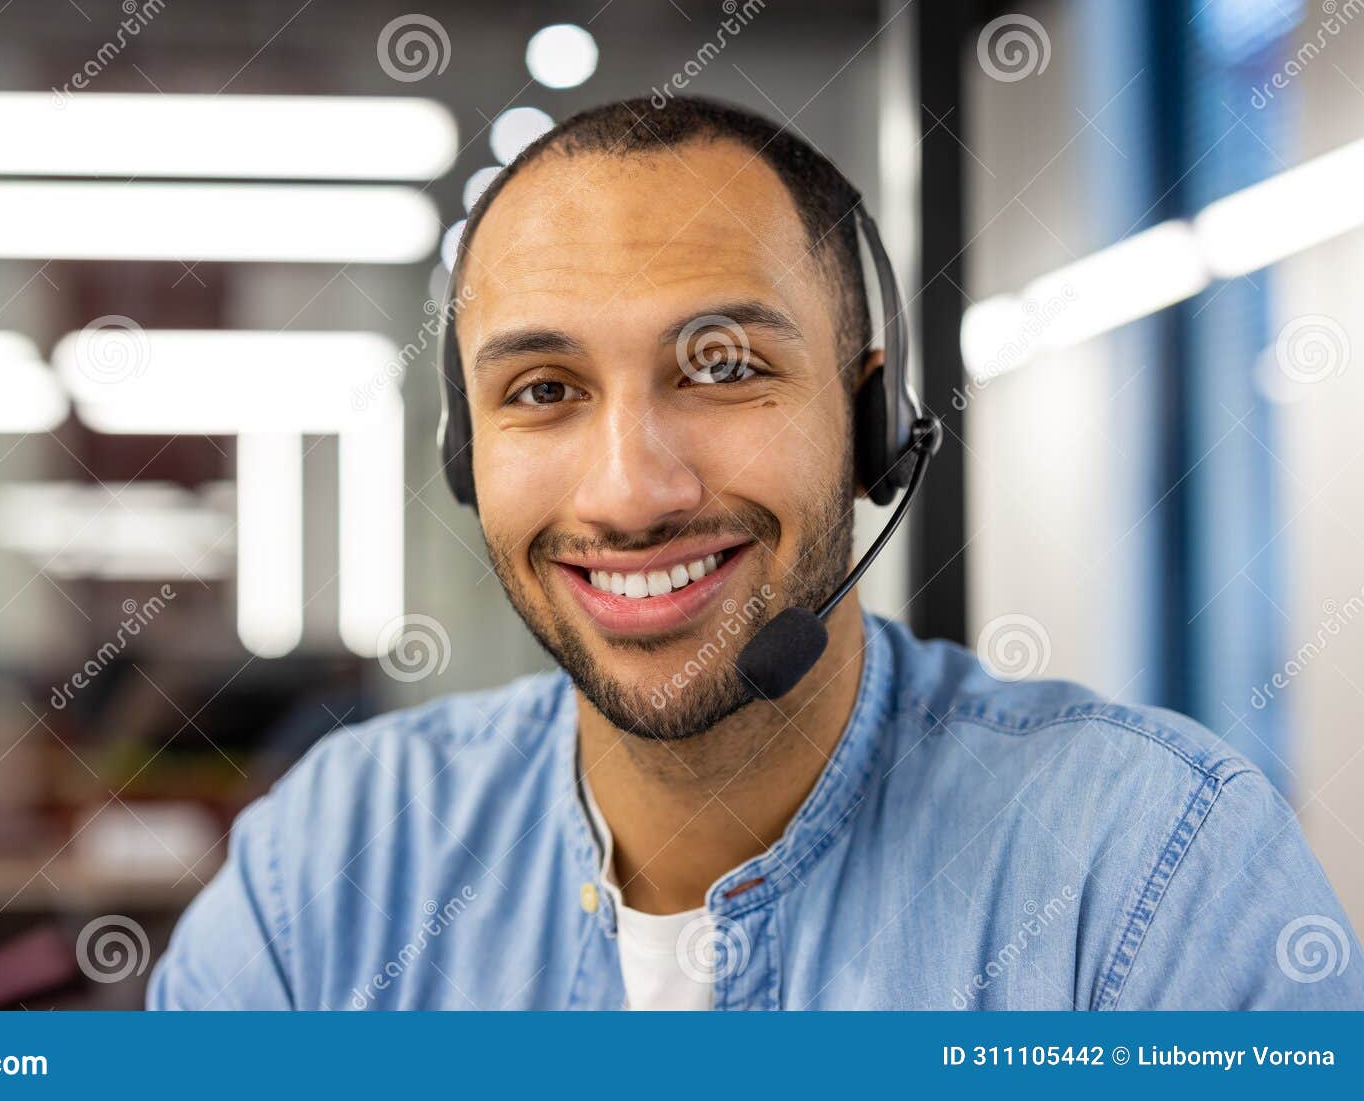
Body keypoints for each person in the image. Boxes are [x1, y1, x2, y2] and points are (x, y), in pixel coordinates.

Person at [149, 96, 1362, 1010]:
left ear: (870, 425)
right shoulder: (329, 866)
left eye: (724, 366)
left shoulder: (1147, 866)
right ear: (470, 454)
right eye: (542, 388)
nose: (628, 492)